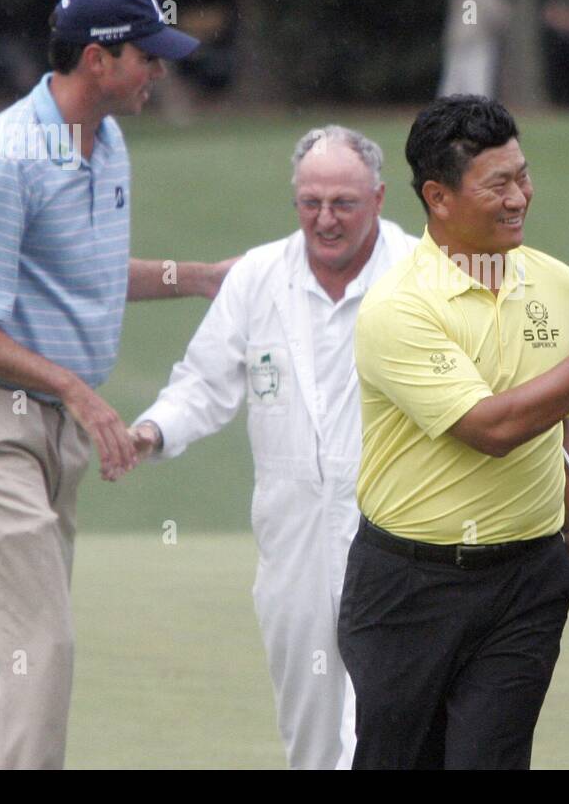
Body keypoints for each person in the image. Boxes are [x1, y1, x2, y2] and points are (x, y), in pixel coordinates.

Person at [0, 0, 236, 770]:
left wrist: (197, 276)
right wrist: (73, 386)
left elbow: (82, 270)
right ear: (98, 60)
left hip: (48, 434)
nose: (159, 73)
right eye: (146, 59)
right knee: (36, 643)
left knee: (1, 650)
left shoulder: (107, 141)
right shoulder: (3, 158)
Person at [340, 94, 569, 770]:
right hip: (408, 586)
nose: (520, 197)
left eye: (523, 175)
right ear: (438, 196)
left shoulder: (557, 282)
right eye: (498, 184)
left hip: (526, 580)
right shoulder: (398, 306)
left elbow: (555, 413)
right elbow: (495, 427)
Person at [127, 126, 415, 770]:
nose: (325, 219)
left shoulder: (419, 273)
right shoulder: (258, 276)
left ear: (378, 197)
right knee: (309, 722)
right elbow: (203, 384)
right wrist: (152, 430)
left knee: (380, 713)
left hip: (394, 527)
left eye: (343, 203)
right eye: (310, 202)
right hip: (291, 533)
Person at [437, 0, 513, 98]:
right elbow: (499, 18)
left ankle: (445, 108)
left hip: (458, 37)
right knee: (477, 79)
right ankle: (477, 109)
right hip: (480, 40)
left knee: (454, 78)